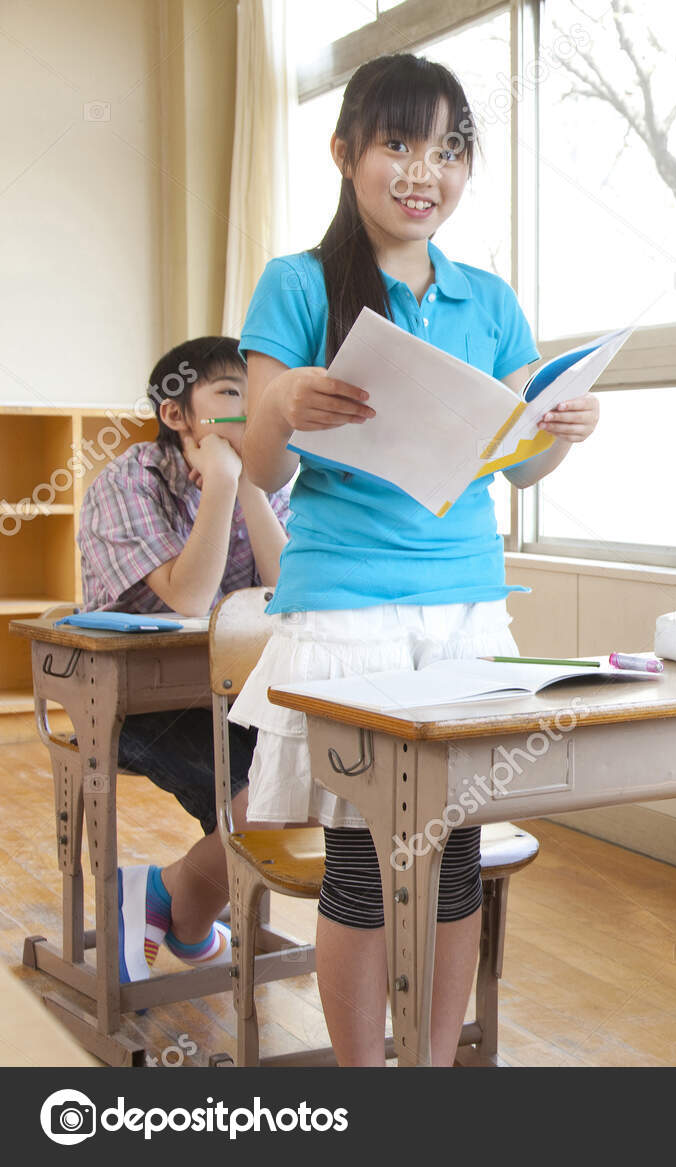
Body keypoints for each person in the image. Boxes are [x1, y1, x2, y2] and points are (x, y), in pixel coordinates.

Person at [232, 53, 599, 1065]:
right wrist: (280, 402)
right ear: (345, 152)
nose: (423, 172)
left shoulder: (490, 300)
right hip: (347, 608)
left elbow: (520, 469)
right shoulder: (298, 283)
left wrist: (561, 430)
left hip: (465, 605)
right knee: (363, 872)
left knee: (455, 864)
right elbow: (261, 467)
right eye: (398, 143)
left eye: (448, 150)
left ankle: (430, 1076)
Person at [77, 336, 290, 983]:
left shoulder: (271, 477)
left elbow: (291, 589)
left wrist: (249, 483)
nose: (249, 408)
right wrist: (221, 484)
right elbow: (190, 599)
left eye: (256, 395)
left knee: (303, 782)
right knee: (268, 797)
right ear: (175, 413)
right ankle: (189, 914)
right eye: (229, 393)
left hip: (234, 693)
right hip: (135, 701)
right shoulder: (128, 481)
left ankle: (169, 899)